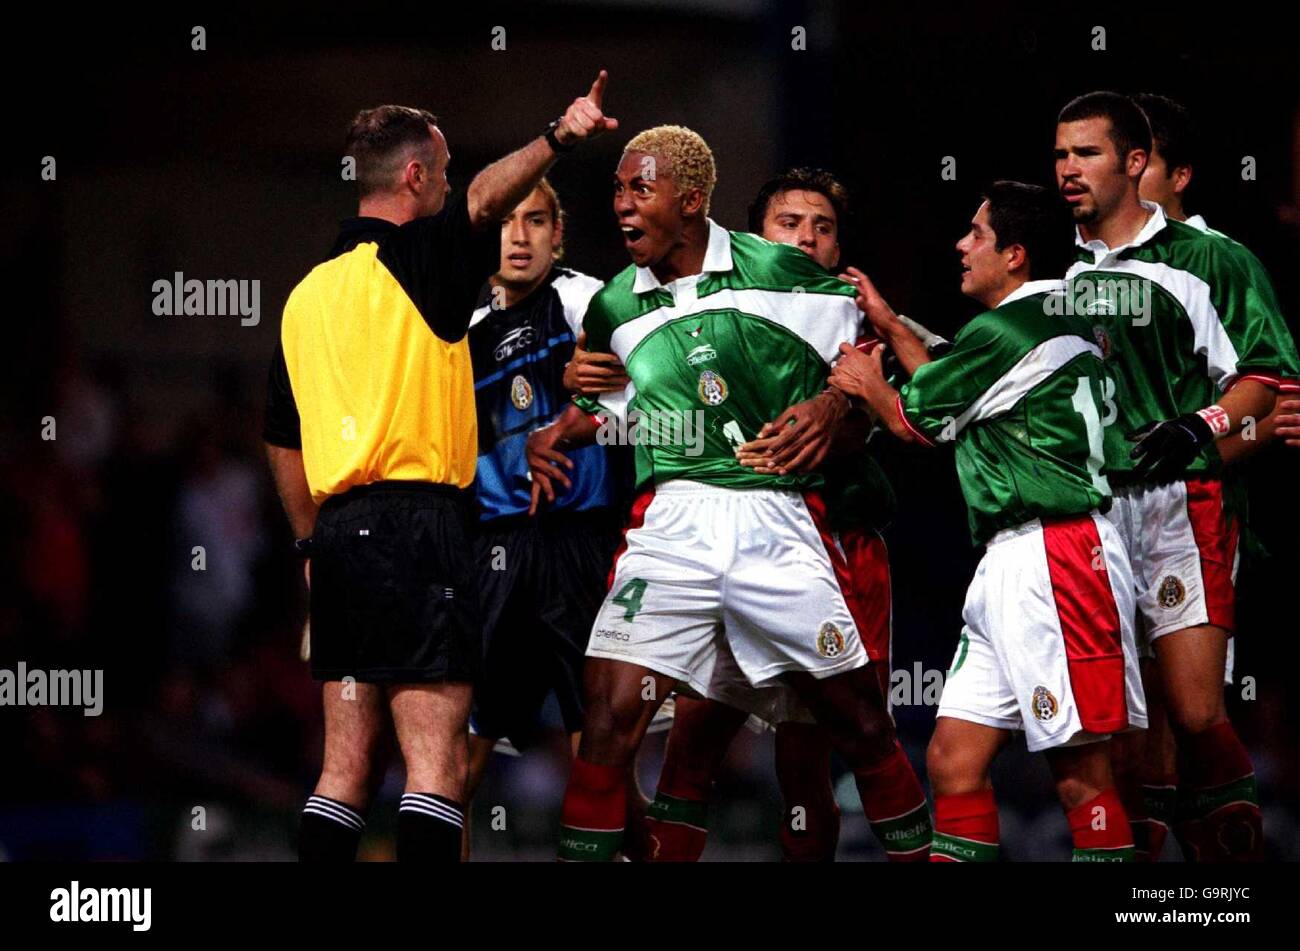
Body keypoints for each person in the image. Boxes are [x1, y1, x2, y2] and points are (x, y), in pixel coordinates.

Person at [527, 125, 926, 862]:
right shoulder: (615, 305)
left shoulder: (783, 271)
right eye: (617, 188)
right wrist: (556, 429)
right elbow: (619, 398)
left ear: (692, 201)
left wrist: (841, 403)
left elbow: (890, 364)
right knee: (611, 722)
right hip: (672, 521)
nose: (621, 204)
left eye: (639, 188)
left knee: (861, 728)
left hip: (779, 520)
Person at [262, 72, 619, 862]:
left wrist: (307, 546)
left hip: (339, 536)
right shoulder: (424, 259)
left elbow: (282, 443)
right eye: (447, 169)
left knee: (342, 773)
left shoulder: (303, 297)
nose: (457, 186)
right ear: (417, 176)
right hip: (422, 525)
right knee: (434, 768)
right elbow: (489, 198)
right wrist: (560, 135)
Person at [832, 182, 1147, 861]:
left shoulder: (1004, 330)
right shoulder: (1045, 327)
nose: (960, 244)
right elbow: (956, 399)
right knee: (952, 758)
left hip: (1061, 558)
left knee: (1082, 775)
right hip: (1016, 560)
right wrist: (890, 324)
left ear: (1015, 255)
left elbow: (915, 422)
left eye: (975, 233)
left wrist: (865, 380)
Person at [1056, 90, 1300, 861]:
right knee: (1130, 731)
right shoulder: (1061, 264)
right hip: (1091, 517)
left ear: (1143, 166)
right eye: (1061, 155)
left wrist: (1201, 433)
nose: (1071, 170)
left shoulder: (1214, 260)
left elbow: (1269, 390)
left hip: (1183, 509)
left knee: (1195, 713)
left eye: (1088, 153)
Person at [461, 178, 646, 856]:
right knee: (457, 765)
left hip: (578, 545)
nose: (519, 235)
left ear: (557, 235)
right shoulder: (463, 333)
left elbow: (641, 377)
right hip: (495, 552)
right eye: (507, 223)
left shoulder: (585, 300)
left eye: (535, 221)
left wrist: (571, 421)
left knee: (600, 757)